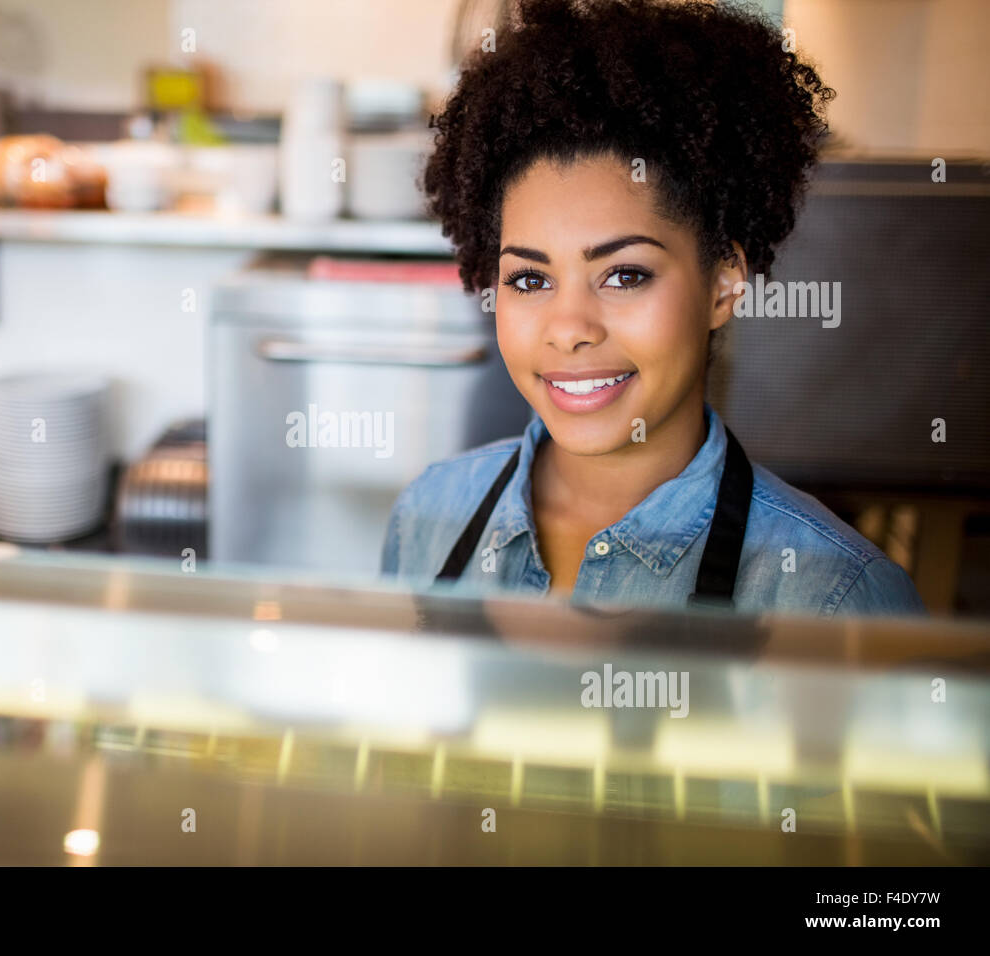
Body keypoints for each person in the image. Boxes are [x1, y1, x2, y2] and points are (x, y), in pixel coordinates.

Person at [380, 0, 924, 616]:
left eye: (624, 274)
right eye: (530, 280)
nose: (569, 330)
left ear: (724, 283)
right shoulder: (428, 517)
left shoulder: (836, 592)